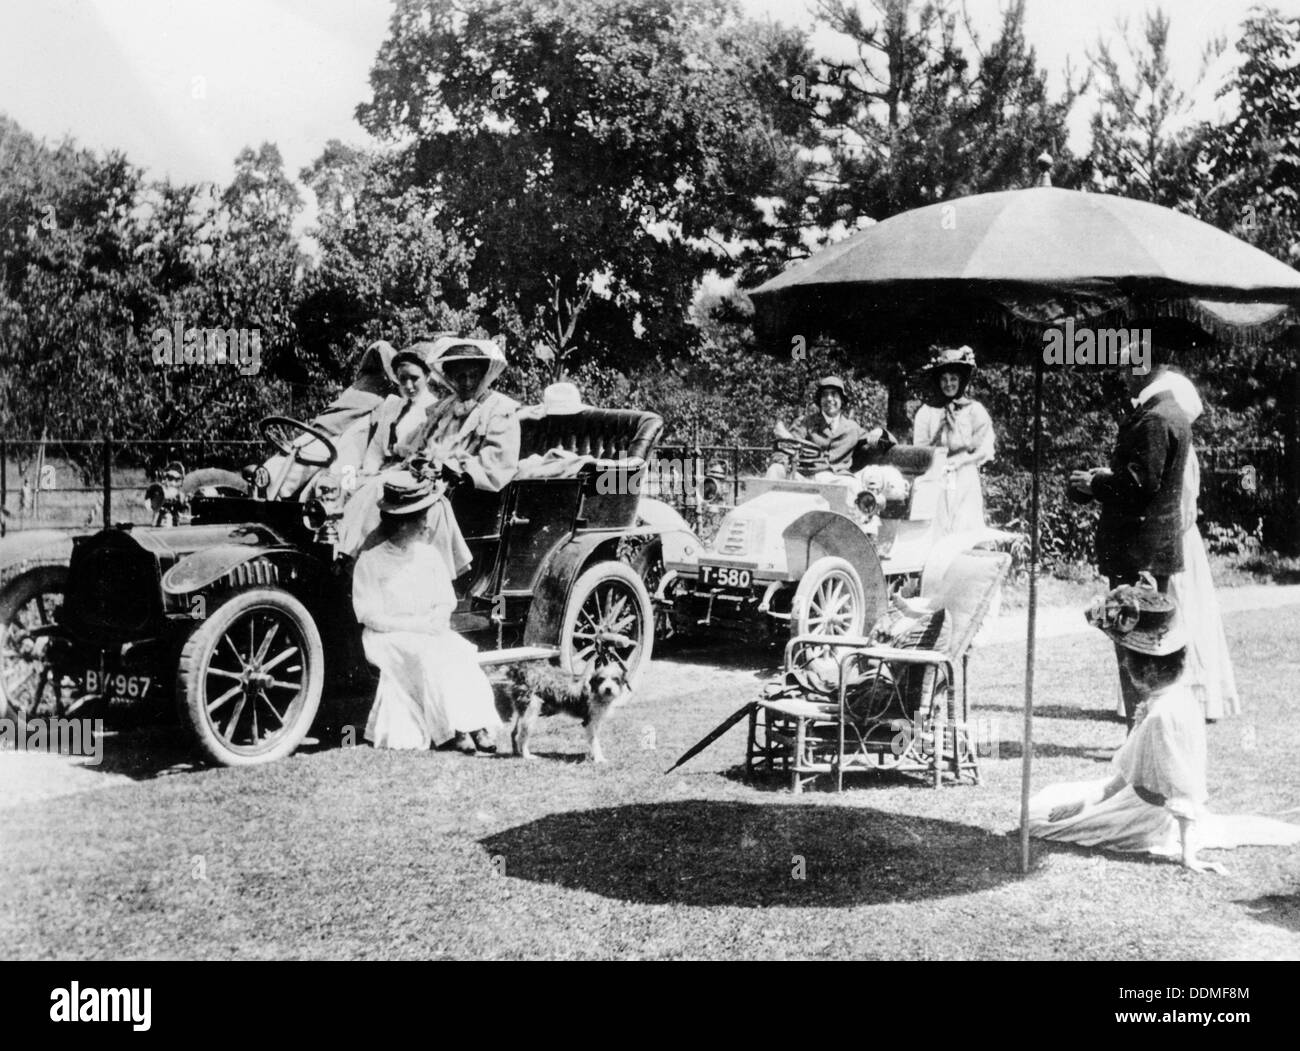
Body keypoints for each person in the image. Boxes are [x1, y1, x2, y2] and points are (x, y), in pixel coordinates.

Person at [1028, 581, 1300, 871]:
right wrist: (1088, 801)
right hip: (1136, 799)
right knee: (1048, 803)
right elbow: (1130, 773)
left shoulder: (1163, 716)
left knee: (1035, 821)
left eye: (1127, 660)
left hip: (1149, 818)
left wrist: (1188, 856)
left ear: (1147, 669)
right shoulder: (1173, 699)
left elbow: (1182, 786)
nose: (1124, 666)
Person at [1068, 348, 1192, 731]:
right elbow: (1148, 479)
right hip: (1151, 551)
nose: (1122, 375)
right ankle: (1144, 733)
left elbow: (1139, 487)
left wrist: (1096, 484)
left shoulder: (1153, 419)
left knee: (1135, 648)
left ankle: (1138, 735)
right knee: (1147, 645)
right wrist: (1109, 476)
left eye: (1126, 367)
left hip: (1139, 554)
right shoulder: (1171, 412)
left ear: (1142, 369)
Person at [1110, 370, 1240, 722]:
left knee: (1175, 617)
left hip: (1175, 540)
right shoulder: (1178, 442)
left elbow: (1182, 505)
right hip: (1176, 539)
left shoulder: (1177, 447)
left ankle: (1186, 694)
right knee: (1175, 616)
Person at [350, 473, 501, 754]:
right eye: (421, 519)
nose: (427, 525)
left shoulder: (429, 555)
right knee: (429, 655)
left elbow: (445, 601)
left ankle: (475, 724)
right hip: (387, 637)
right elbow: (369, 615)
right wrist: (417, 626)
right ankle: (451, 730)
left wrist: (438, 620)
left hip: (428, 631)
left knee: (460, 652)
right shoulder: (370, 562)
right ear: (403, 523)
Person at [337, 346, 441, 556]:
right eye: (403, 379)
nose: (408, 385)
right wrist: (368, 469)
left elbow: (427, 452)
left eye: (414, 378)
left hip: (410, 473)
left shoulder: (434, 409)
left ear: (427, 376)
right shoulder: (392, 405)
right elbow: (377, 446)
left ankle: (356, 551)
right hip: (383, 469)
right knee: (345, 482)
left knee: (372, 491)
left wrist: (385, 473)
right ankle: (336, 544)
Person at [407, 336, 521, 493]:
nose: (467, 383)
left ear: (483, 375)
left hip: (469, 492)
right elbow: (422, 446)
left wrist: (449, 468)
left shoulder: (499, 409)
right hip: (428, 482)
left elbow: (496, 465)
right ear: (450, 377)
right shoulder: (443, 408)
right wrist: (423, 464)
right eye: (461, 376)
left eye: (473, 376)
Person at [912, 345, 995, 537]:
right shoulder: (927, 411)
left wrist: (961, 461)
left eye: (953, 379)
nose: (948, 384)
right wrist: (937, 463)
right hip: (936, 473)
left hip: (964, 473)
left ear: (961, 380)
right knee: (936, 526)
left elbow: (985, 447)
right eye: (944, 379)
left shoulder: (974, 410)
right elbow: (920, 448)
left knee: (964, 525)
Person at [770, 376, 888, 494]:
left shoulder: (853, 428)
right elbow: (788, 447)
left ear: (842, 400)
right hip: (806, 477)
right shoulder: (806, 422)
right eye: (825, 395)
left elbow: (886, 442)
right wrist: (784, 448)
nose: (829, 399)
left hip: (839, 479)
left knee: (855, 488)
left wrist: (880, 432)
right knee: (775, 470)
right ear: (820, 400)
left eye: (834, 394)